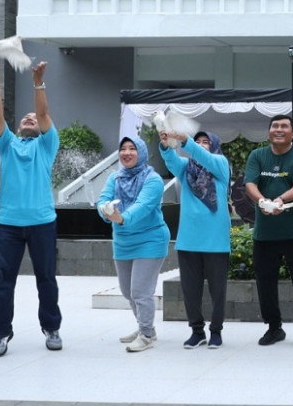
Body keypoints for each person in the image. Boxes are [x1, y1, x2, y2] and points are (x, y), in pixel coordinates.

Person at [0, 60, 62, 358]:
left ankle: (52, 327)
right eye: (25, 118)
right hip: (9, 224)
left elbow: (42, 112)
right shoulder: (8, 145)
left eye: (34, 119)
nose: (31, 118)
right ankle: (0, 333)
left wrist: (38, 82)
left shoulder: (47, 145)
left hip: (43, 222)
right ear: (17, 127)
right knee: (3, 280)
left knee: (47, 278)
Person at [244, 113, 293, 347]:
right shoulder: (257, 156)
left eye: (284, 126)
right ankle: (274, 328)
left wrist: (278, 202)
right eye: (274, 126)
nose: (279, 129)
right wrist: (263, 202)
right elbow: (250, 184)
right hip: (265, 234)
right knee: (265, 283)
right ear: (269, 132)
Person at [160, 129, 231, 349]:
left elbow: (206, 159)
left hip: (215, 242)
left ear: (214, 145)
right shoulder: (186, 169)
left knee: (217, 291)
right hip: (188, 240)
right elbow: (171, 160)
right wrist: (165, 145)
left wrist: (186, 141)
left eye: (205, 142)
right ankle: (197, 331)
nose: (200, 145)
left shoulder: (220, 164)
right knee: (190, 291)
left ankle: (216, 331)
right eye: (197, 141)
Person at [99, 135, 169, 352]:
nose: (126, 153)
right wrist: (105, 211)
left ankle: (146, 335)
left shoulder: (153, 179)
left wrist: (121, 218)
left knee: (140, 291)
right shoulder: (115, 177)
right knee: (128, 291)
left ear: (141, 153)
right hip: (123, 241)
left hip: (150, 239)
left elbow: (143, 206)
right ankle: (144, 327)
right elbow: (102, 199)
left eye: (132, 149)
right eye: (123, 149)